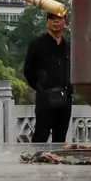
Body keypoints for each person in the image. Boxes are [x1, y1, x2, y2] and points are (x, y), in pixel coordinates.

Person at [23, 12, 72, 143]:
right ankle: (38, 160)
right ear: (47, 22)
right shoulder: (37, 44)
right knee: (41, 134)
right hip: (45, 97)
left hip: (65, 96)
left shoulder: (68, 46)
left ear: (64, 22)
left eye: (59, 19)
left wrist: (70, 89)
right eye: (52, 19)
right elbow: (28, 70)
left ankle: (57, 162)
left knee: (60, 137)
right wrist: (40, 87)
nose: (56, 22)